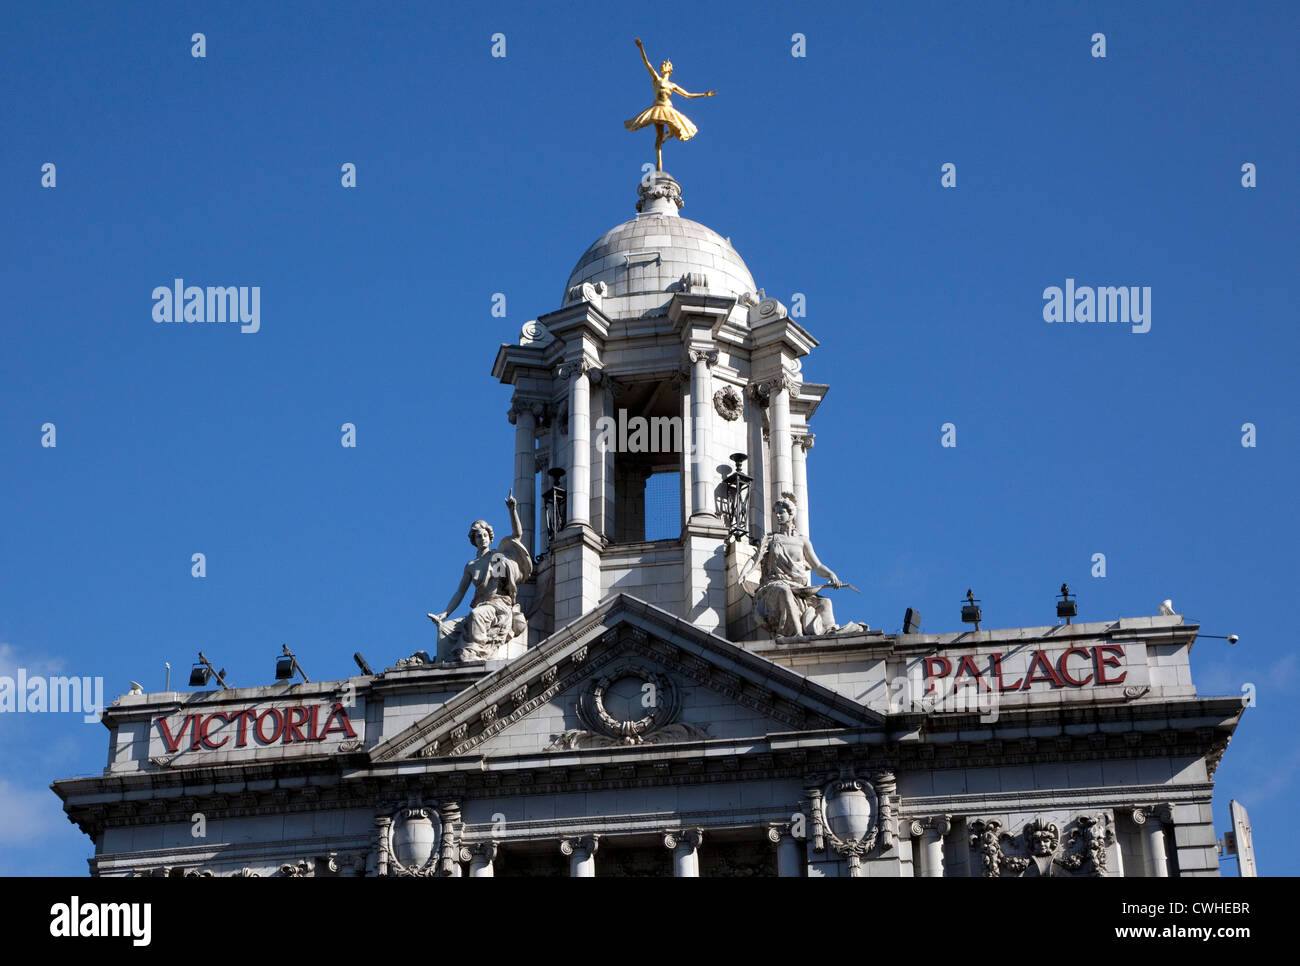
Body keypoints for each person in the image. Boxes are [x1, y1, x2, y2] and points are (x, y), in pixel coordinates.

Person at [428, 493, 532, 662]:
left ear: (490, 537)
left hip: (497, 605)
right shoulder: (471, 566)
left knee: (477, 615)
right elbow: (460, 593)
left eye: (484, 535)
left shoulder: (497, 558)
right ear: (473, 540)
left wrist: (512, 510)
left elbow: (517, 534)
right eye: (478, 536)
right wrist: (444, 614)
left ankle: (474, 653)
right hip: (483, 605)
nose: (482, 539)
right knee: (445, 629)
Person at [739, 492, 844, 637]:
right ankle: (796, 634)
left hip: (799, 588)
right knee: (784, 591)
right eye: (776, 513)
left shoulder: (803, 541)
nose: (778, 516)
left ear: (791, 514)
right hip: (775, 584)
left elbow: (817, 566)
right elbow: (755, 558)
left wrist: (831, 575)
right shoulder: (771, 539)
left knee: (825, 602)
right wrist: (744, 573)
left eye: (781, 512)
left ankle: (831, 630)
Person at [624, 37, 716, 171]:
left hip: (669, 108)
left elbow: (687, 94)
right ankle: (659, 163)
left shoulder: (672, 85)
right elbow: (647, 63)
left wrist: (704, 94)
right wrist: (640, 47)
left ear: (669, 69)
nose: (662, 66)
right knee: (659, 137)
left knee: (675, 126)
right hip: (658, 108)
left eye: (665, 65)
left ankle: (670, 134)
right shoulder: (657, 79)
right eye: (662, 65)